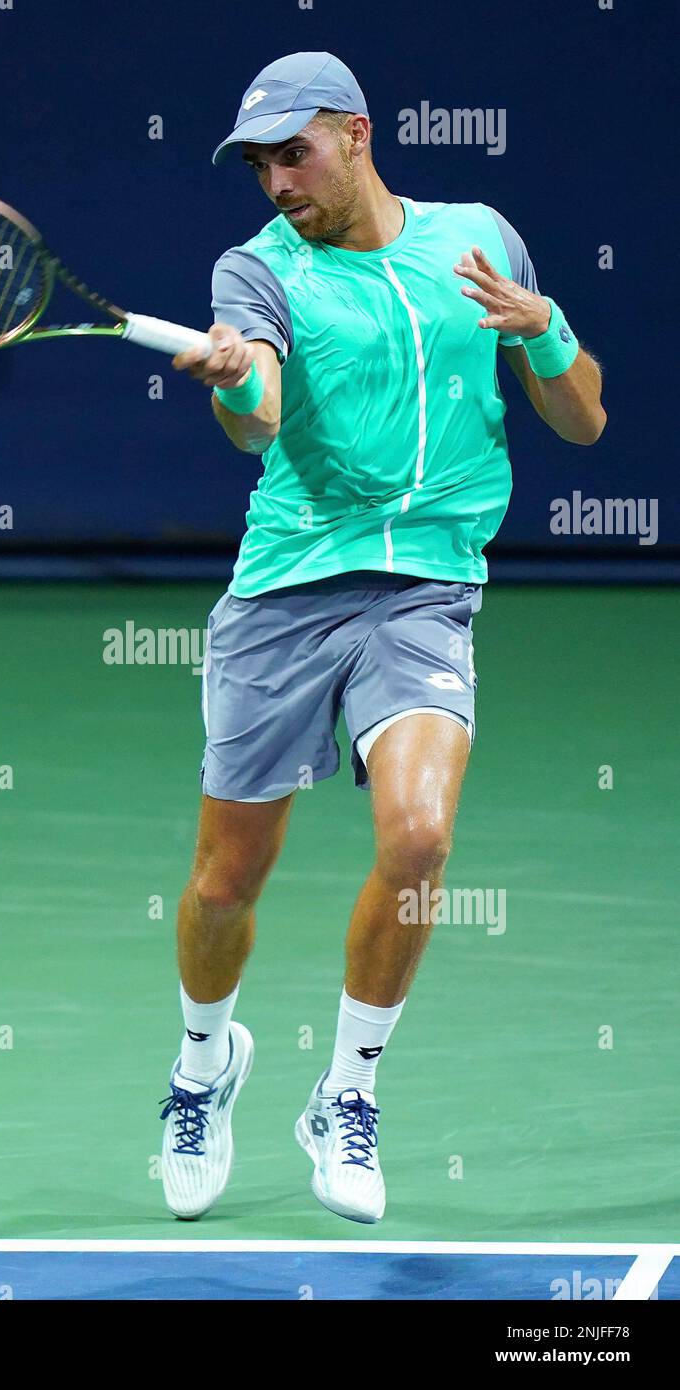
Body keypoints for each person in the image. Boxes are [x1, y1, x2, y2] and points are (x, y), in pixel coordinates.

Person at [159, 52, 606, 1223]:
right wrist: (226, 376)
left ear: (355, 133)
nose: (273, 181)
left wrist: (545, 328)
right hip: (287, 595)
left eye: (290, 153)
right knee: (223, 883)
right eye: (255, 164)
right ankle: (201, 1061)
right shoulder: (257, 270)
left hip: (425, 593)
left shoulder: (476, 241)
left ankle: (346, 1093)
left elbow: (583, 420)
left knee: (416, 841)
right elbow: (255, 416)